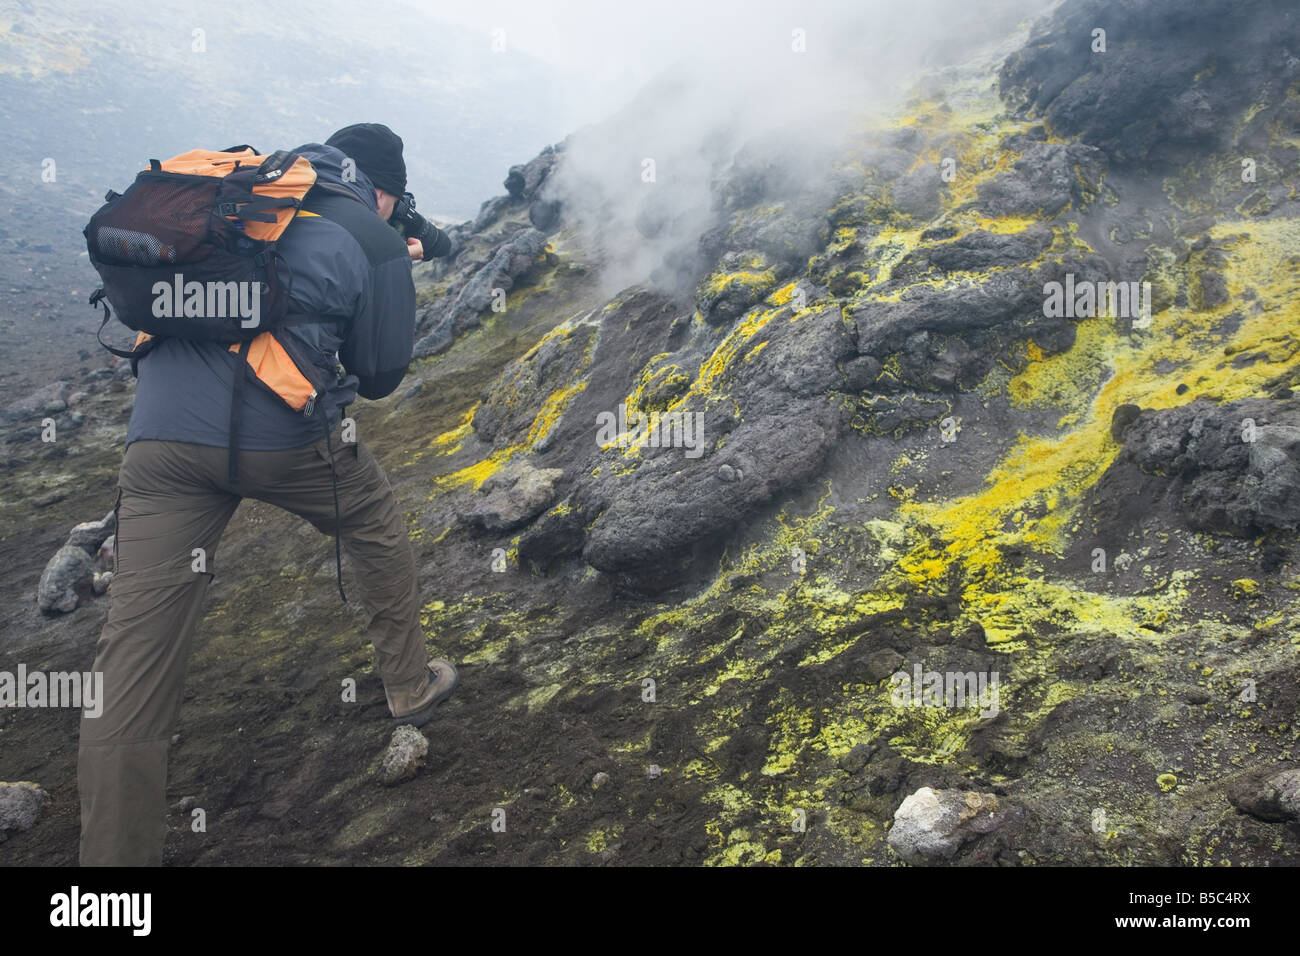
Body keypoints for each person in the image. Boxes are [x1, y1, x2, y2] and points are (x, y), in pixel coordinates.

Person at [78, 123, 458, 866]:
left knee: (131, 664)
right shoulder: (371, 235)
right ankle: (409, 688)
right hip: (288, 443)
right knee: (375, 521)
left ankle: (110, 883)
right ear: (384, 193)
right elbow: (378, 379)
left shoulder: (242, 197)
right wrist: (389, 272)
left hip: (158, 445)